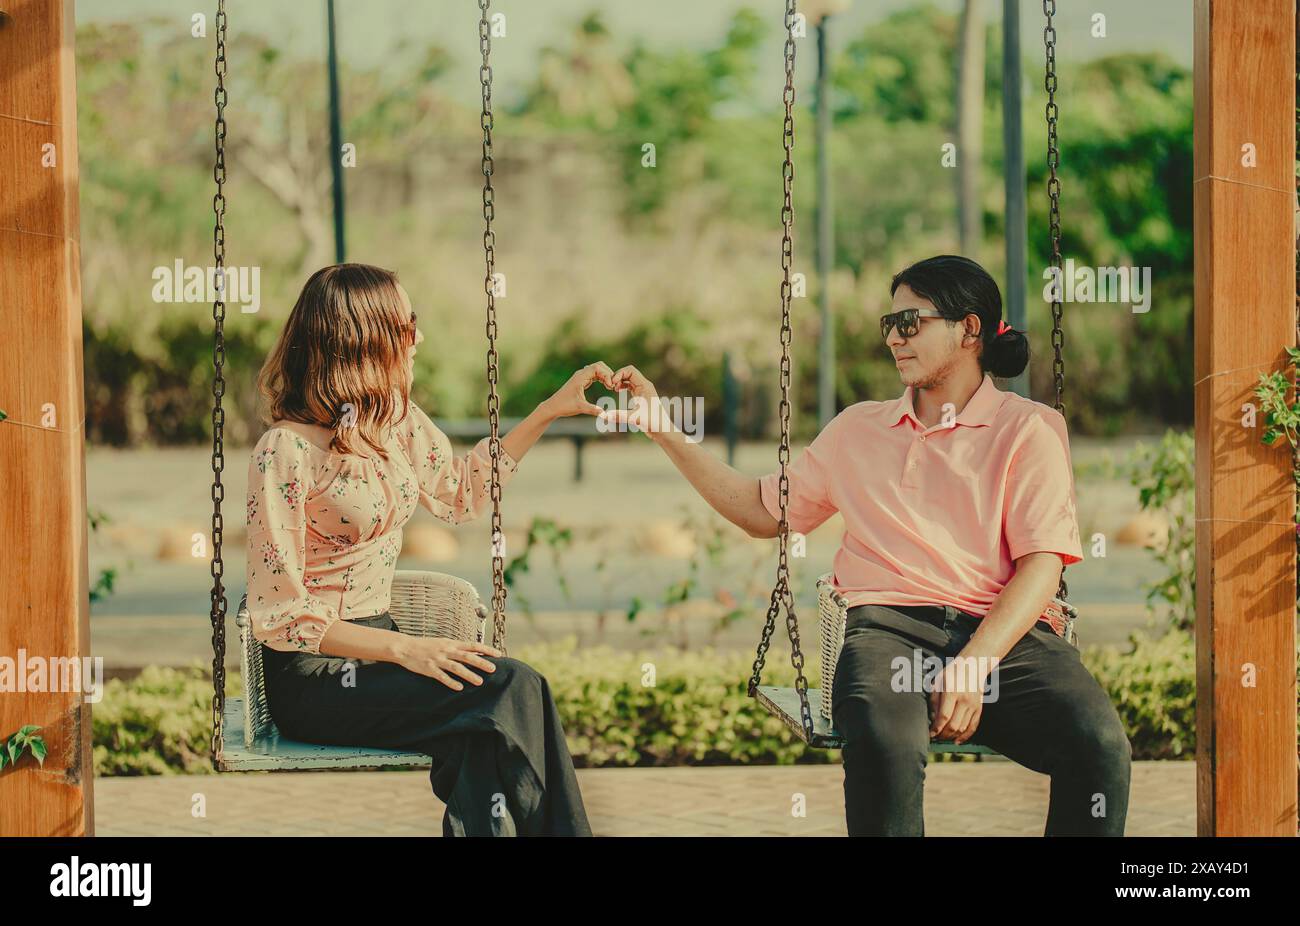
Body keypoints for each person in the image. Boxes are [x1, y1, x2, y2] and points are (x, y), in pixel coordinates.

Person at [608, 254, 1132, 836]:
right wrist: (659, 423)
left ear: (969, 329)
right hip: (888, 629)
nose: (894, 338)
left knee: (1099, 747)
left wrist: (973, 665)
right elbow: (763, 510)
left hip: (1005, 635)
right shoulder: (858, 429)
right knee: (885, 745)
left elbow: (1041, 566)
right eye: (890, 324)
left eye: (911, 323)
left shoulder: (1028, 429)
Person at [244, 262, 607, 836]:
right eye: (407, 325)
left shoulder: (394, 424)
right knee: (513, 686)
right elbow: (281, 616)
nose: (419, 337)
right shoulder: (284, 451)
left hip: (386, 654)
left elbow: (462, 493)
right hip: (317, 675)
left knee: (477, 733)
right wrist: (405, 651)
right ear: (366, 340)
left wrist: (547, 412)